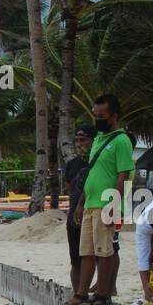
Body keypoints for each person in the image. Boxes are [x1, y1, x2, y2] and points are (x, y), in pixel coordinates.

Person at [65, 95, 133, 305]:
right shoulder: (99, 140)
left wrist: (115, 205)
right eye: (95, 115)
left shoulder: (121, 141)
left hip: (106, 204)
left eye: (101, 116)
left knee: (104, 251)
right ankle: (81, 294)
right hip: (89, 204)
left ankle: (103, 294)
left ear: (114, 116)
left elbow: (124, 175)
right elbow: (92, 174)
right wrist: (80, 203)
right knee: (86, 251)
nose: (98, 120)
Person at [62, 124, 92, 295]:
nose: (80, 144)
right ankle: (78, 293)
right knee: (75, 259)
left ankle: (105, 289)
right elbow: (69, 189)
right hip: (74, 216)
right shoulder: (72, 164)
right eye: (77, 140)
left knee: (98, 256)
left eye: (83, 140)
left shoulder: (98, 162)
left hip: (93, 212)